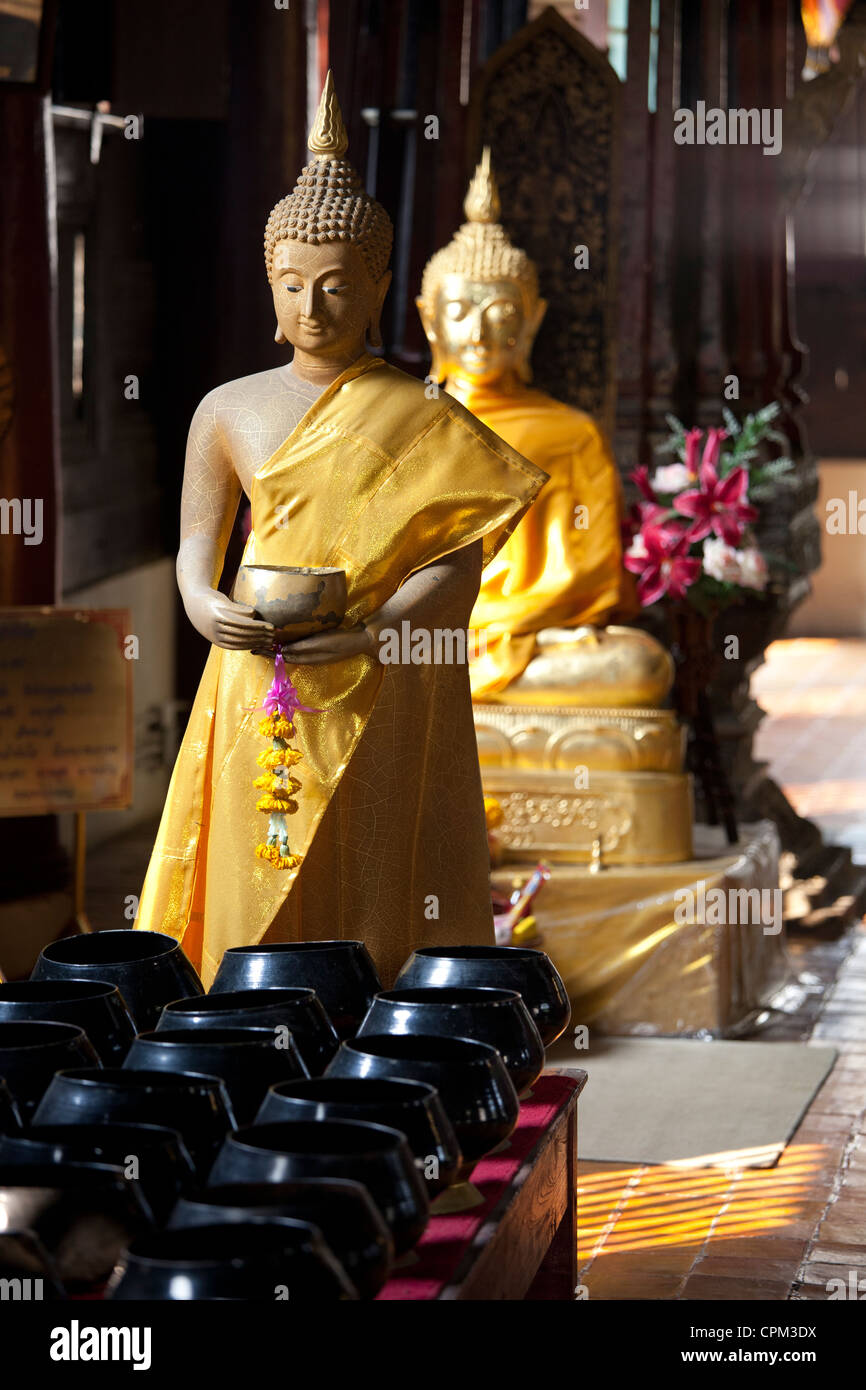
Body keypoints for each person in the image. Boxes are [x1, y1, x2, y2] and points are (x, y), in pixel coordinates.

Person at [133, 75, 546, 987]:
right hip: (256, 663)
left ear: (379, 288)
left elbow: (460, 562)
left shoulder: (420, 413)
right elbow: (198, 542)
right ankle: (239, 1011)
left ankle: (376, 1027)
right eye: (293, 285)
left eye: (335, 287)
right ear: (268, 281)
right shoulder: (229, 409)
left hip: (379, 674)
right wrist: (203, 601)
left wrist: (375, 629)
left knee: (369, 855)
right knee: (253, 840)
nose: (312, 308)